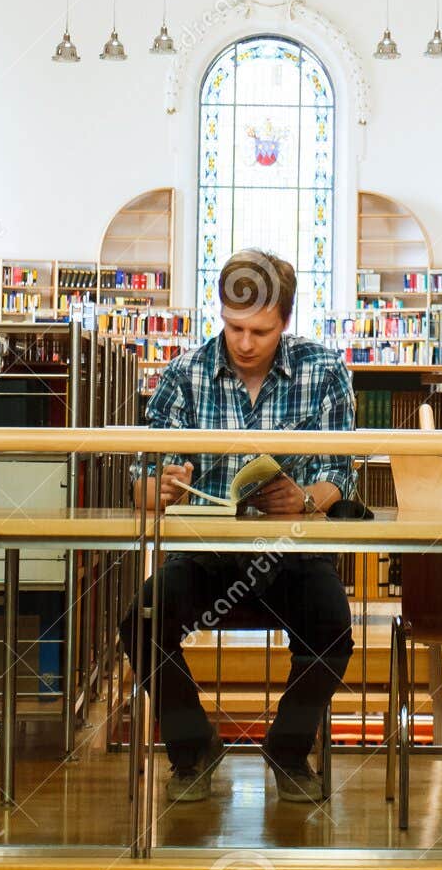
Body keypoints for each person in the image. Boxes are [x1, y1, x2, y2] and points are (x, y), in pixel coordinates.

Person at [121, 250, 356, 806]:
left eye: (260, 331)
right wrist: (161, 488)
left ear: (286, 322)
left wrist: (304, 499)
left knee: (332, 632)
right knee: (140, 623)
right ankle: (194, 745)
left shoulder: (324, 371)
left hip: (293, 553)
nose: (244, 342)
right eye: (233, 327)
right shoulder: (185, 373)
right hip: (209, 557)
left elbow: (339, 472)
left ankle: (289, 749)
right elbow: (140, 481)